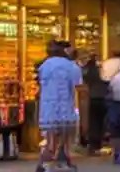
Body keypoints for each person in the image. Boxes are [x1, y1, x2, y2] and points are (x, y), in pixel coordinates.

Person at [37, 40, 82, 172]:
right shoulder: (71, 66)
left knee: (50, 138)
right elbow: (79, 86)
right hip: (65, 108)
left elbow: (41, 84)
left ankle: (44, 164)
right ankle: (60, 161)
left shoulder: (44, 65)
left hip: (47, 108)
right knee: (64, 137)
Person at [84, 55, 109, 155]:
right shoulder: (103, 71)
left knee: (94, 122)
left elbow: (85, 81)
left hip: (93, 97)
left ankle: (94, 144)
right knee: (102, 121)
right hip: (104, 97)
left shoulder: (89, 72)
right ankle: (102, 141)